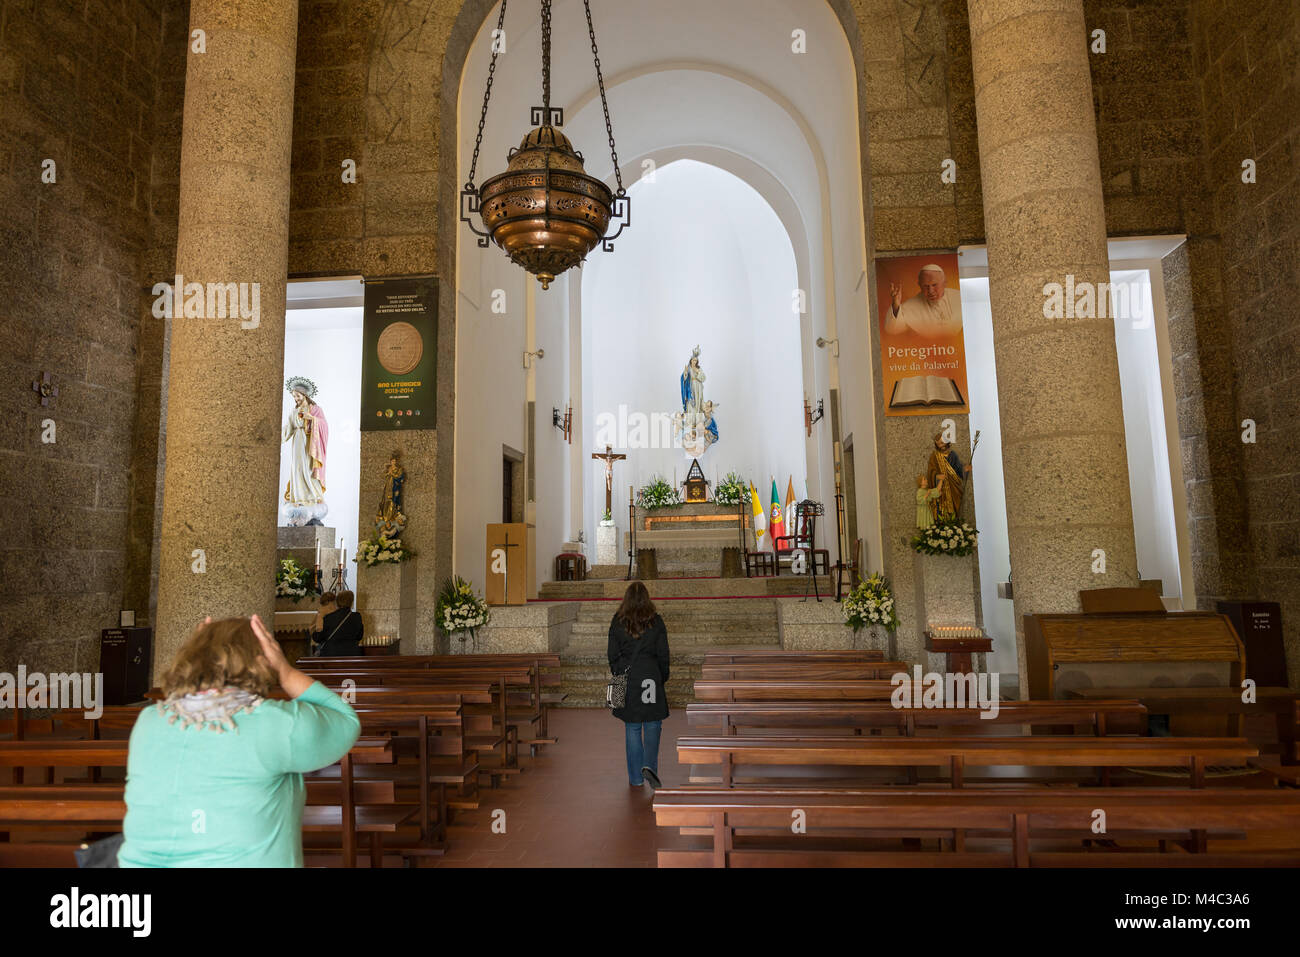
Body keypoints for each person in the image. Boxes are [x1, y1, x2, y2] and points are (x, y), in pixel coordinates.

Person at [119, 614, 360, 867]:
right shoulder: (274, 723)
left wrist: (202, 648)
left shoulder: (149, 721)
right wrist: (285, 671)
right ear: (262, 659)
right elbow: (346, 722)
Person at [607, 581, 670, 789]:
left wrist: (618, 671)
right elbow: (663, 654)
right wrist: (662, 677)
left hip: (629, 678)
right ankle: (650, 766)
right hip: (651, 676)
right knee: (653, 724)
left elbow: (612, 654)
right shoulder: (656, 621)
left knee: (633, 727)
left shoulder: (618, 621)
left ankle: (635, 778)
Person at [886, 264, 963, 339]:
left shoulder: (960, 297)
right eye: (925, 286)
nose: (931, 291)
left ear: (945, 283)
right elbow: (892, 330)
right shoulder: (910, 306)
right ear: (919, 285)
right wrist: (895, 305)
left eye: (934, 285)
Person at [315, 590, 363, 656]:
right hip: (351, 656)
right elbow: (359, 636)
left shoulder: (329, 617)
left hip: (330, 656)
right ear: (351, 602)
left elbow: (317, 638)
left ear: (337, 602)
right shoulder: (357, 617)